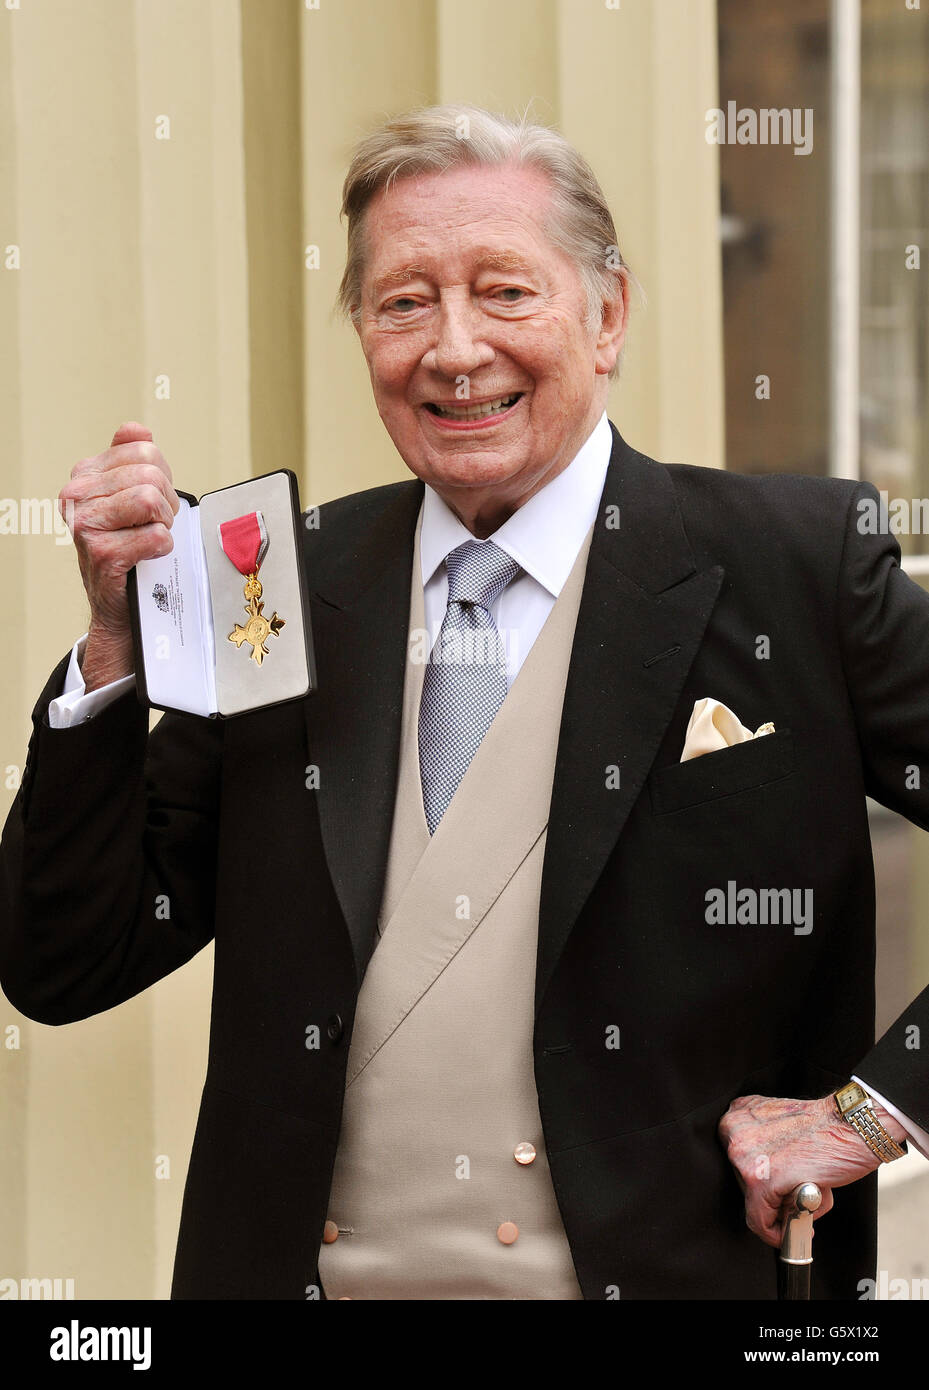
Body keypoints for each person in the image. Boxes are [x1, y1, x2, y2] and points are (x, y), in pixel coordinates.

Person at [2, 104, 927, 1301]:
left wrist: (875, 1107)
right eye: (402, 303)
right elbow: (66, 961)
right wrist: (115, 652)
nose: (451, 349)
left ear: (606, 316)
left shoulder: (797, 566)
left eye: (503, 292)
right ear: (361, 331)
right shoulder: (277, 584)